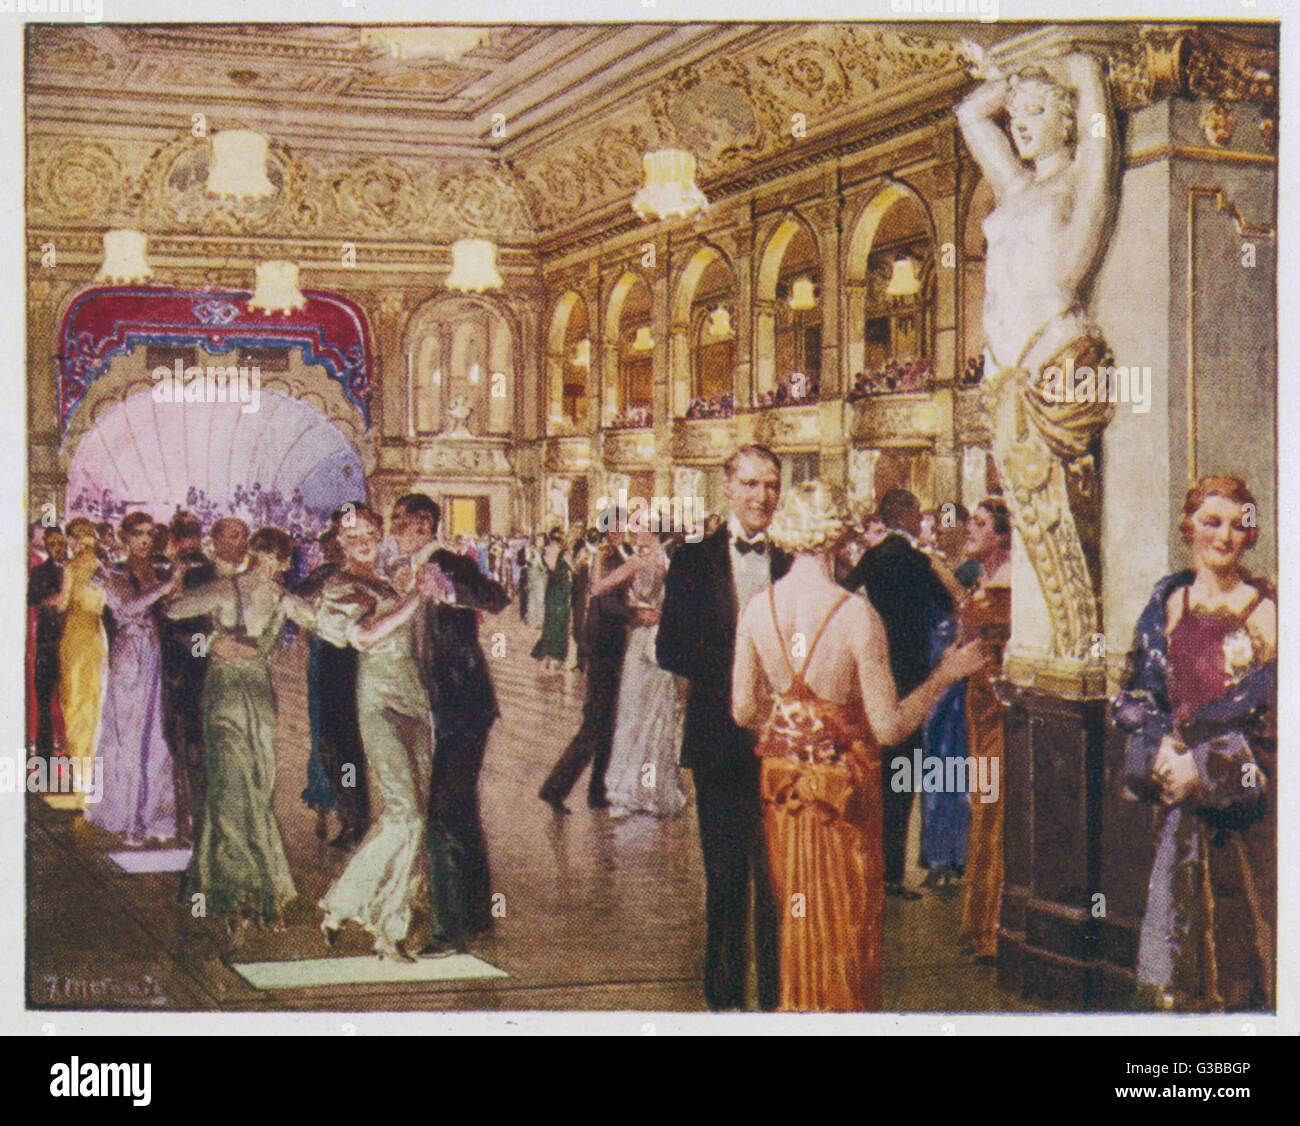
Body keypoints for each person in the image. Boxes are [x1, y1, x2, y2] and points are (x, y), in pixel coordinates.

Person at [733, 481, 987, 1010]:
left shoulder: (758, 608)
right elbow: (890, 727)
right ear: (840, 532)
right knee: (844, 926)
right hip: (843, 794)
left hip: (785, 793)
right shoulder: (856, 617)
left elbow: (742, 710)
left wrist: (790, 722)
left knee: (797, 919)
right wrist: (945, 673)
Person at [957, 51, 1118, 657]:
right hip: (1008, 368)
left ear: (1070, 119)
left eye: (1036, 111)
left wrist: (1082, 72)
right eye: (1017, 114)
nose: (1019, 123)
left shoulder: (1081, 175)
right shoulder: (1016, 185)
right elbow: (971, 114)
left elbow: (1102, 135)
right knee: (1032, 510)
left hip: (1053, 352)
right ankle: (1069, 640)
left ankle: (1081, 643)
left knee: (1060, 511)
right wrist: (1014, 73)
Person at [1112, 477, 1276, 1011]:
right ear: (1189, 527)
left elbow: (1274, 724)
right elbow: (1139, 692)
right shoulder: (1169, 602)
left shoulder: (1268, 613)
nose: (1224, 536)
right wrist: (1158, 747)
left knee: (1239, 956)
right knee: (1178, 961)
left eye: (1237, 524)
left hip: (1245, 823)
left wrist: (1202, 769)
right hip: (1176, 804)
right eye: (1211, 521)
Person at [656, 444, 790, 1011]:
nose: (762, 496)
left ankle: (780, 1003)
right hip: (718, 742)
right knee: (726, 878)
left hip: (788, 742)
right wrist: (743, 678)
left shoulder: (795, 557)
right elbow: (669, 647)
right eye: (752, 484)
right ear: (727, 487)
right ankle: (724, 1004)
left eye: (772, 485)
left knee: (781, 882)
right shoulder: (691, 559)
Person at [302, 504, 435, 961]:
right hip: (378, 699)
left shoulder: (386, 579)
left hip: (414, 700)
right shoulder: (342, 585)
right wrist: (414, 598)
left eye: (368, 530)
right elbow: (363, 637)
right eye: (350, 532)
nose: (361, 538)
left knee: (419, 815)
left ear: (380, 533)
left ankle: (382, 922)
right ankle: (360, 908)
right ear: (339, 540)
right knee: (408, 813)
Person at [164, 527, 307, 940]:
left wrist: (210, 639)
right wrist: (208, 641)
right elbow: (173, 615)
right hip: (241, 696)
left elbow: (172, 608)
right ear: (278, 559)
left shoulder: (235, 589)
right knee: (245, 786)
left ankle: (233, 886)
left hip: (242, 697)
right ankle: (244, 893)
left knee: (242, 786)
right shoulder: (248, 592)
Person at [389, 492, 510, 957]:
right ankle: (475, 915)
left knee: (442, 816)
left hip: (460, 703)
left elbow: (495, 596)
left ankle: (449, 929)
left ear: (423, 523)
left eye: (399, 521)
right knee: (458, 813)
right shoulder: (412, 568)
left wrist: (449, 591)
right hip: (447, 704)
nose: (392, 529)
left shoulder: (444, 562)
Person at [841, 488, 954, 899]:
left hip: (874, 668)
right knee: (903, 776)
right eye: (915, 510)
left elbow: (845, 591)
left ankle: (870, 868)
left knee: (876, 771)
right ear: (903, 513)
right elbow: (946, 603)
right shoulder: (916, 558)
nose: (920, 517)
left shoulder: (872, 556)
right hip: (911, 673)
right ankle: (891, 874)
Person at [84, 512, 185, 844]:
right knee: (127, 732)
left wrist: (174, 585)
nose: (144, 540)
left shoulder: (155, 570)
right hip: (130, 655)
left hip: (155, 652)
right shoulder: (113, 572)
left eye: (149, 534)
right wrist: (167, 584)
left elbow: (168, 607)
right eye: (138, 534)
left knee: (156, 734)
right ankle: (127, 817)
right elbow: (128, 607)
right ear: (125, 537)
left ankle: (153, 814)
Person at [538, 514, 632, 813]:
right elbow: (605, 602)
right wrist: (636, 613)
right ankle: (556, 787)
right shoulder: (605, 557)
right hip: (605, 644)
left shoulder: (616, 554)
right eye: (620, 526)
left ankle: (596, 791)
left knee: (605, 724)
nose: (624, 530)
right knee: (596, 722)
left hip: (608, 644)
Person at [954, 499, 1012, 958]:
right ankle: (980, 924)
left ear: (1003, 534)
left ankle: (992, 926)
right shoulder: (983, 581)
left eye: (980, 523)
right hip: (977, 704)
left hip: (998, 707)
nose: (968, 530)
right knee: (983, 803)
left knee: (993, 806)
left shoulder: (1008, 588)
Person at [602, 528, 686, 819]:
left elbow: (597, 588)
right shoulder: (659, 562)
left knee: (650, 716)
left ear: (653, 534)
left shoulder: (651, 562)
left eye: (641, 531)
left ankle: (641, 790)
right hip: (648, 639)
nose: (635, 536)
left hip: (651, 640)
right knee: (640, 715)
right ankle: (635, 790)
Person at [157, 511, 216, 844]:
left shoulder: (173, 571)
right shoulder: (213, 569)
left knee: (182, 741)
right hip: (205, 660)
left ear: (174, 538)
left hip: (178, 664)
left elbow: (167, 616)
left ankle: (189, 818)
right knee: (202, 740)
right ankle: (201, 816)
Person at [49, 519, 107, 813]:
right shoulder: (102, 564)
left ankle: (81, 780)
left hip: (75, 636)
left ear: (74, 539)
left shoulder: (71, 567)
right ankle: (91, 778)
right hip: (98, 636)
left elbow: (61, 604)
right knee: (94, 703)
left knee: (74, 704)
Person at [28, 526, 68, 760]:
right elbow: (34, 599)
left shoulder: (76, 567)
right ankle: (44, 759)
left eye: (61, 542)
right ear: (46, 545)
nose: (58, 548)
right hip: (48, 643)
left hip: (75, 644)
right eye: (53, 543)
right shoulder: (40, 572)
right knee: (44, 702)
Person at [530, 532, 572, 671]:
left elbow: (571, 569)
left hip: (559, 590)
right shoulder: (552, 553)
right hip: (556, 590)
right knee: (555, 623)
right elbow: (553, 569)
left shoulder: (561, 552)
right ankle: (553, 656)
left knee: (557, 622)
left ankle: (555, 657)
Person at [524, 535, 547, 630]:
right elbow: (528, 561)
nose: (538, 541)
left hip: (542, 577)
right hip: (533, 577)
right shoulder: (532, 550)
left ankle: (541, 621)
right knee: (532, 599)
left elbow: (545, 566)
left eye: (540, 539)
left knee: (541, 599)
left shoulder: (545, 551)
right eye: (537, 539)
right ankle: (533, 621)